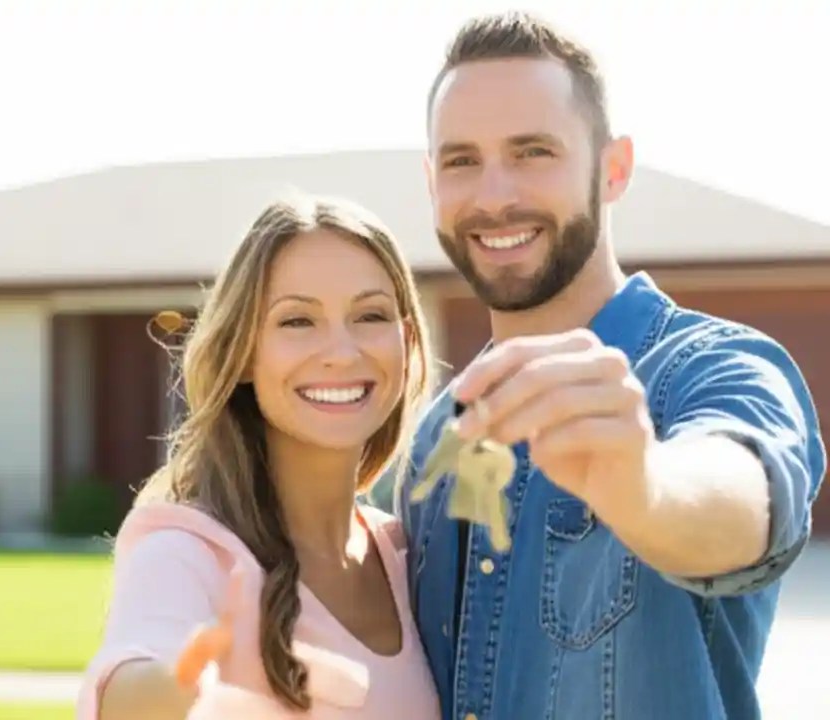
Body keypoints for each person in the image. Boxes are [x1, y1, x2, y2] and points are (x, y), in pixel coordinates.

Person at [395, 11, 826, 720]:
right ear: (431, 180)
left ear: (614, 168)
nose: (495, 195)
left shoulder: (719, 367)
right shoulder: (439, 434)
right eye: (461, 159)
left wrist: (643, 487)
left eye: (533, 151)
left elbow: (743, 500)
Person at [77, 193, 443, 719]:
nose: (341, 352)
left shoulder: (407, 557)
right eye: (297, 321)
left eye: (370, 315)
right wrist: (176, 686)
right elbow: (131, 680)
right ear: (244, 352)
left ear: (406, 343)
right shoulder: (191, 553)